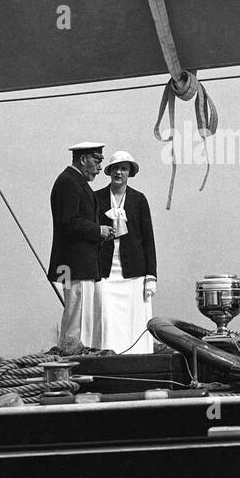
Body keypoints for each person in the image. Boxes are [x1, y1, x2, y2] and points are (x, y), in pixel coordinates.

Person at [49, 142, 111, 349]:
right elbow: (69, 222)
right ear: (83, 160)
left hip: (74, 265)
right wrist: (98, 231)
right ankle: (74, 357)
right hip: (76, 265)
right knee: (79, 316)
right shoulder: (69, 182)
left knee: (74, 314)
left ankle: (70, 353)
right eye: (97, 161)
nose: (100, 168)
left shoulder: (72, 181)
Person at [94, 151, 157, 354]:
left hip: (133, 271)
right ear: (109, 171)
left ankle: (136, 358)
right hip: (105, 270)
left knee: (135, 319)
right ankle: (108, 357)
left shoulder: (139, 200)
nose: (119, 172)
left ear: (130, 172)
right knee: (106, 317)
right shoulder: (97, 198)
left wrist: (151, 275)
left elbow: (148, 239)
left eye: (123, 168)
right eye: (115, 168)